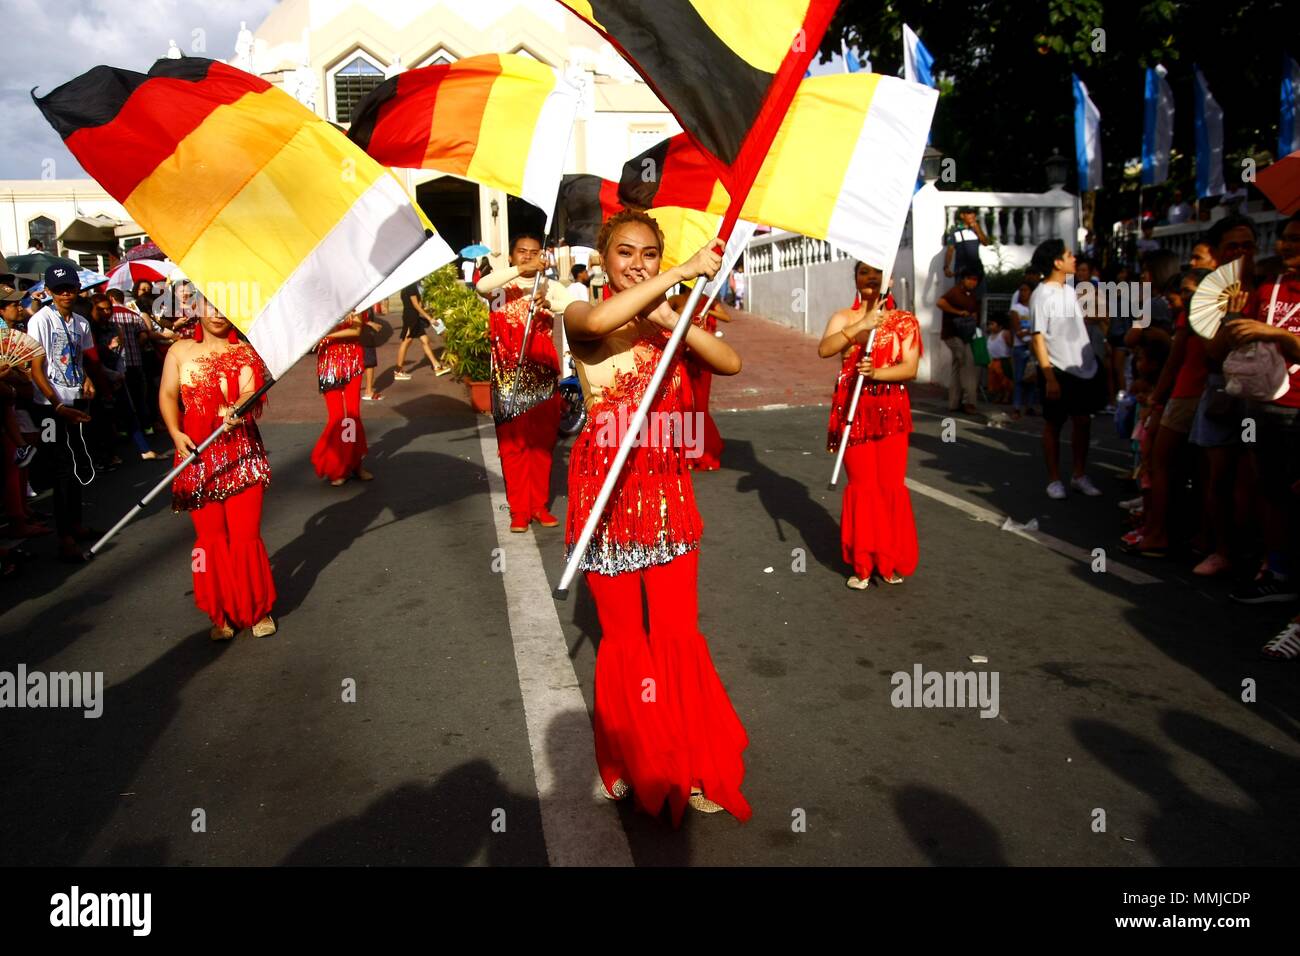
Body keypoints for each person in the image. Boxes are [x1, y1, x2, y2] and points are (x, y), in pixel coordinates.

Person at [562, 209, 749, 823]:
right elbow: (599, 321)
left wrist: (673, 318)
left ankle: (690, 761)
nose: (637, 263)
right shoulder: (580, 315)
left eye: (648, 254)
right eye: (624, 252)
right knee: (622, 642)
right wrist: (684, 272)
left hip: (667, 498)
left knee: (675, 636)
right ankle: (627, 758)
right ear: (602, 259)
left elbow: (729, 362)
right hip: (607, 501)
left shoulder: (668, 319)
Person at [158, 292, 276, 640]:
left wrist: (237, 410)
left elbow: (248, 392)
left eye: (226, 308)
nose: (218, 314)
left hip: (239, 454)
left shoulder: (245, 351)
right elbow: (167, 394)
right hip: (195, 455)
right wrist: (175, 433)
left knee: (245, 536)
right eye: (210, 305)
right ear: (196, 309)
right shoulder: (179, 351)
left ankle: (257, 609)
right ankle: (219, 612)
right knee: (210, 539)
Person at [820, 260, 922, 589]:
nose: (871, 278)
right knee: (863, 488)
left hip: (891, 411)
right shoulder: (843, 318)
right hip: (854, 411)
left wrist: (876, 373)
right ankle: (863, 563)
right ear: (855, 278)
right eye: (864, 272)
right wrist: (862, 324)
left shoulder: (905, 321)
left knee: (890, 487)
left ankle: (889, 560)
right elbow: (825, 349)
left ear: (889, 278)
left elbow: (910, 369)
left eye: (877, 272)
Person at [1224, 210, 1300, 614]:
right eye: (1284, 237)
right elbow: (1239, 341)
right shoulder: (1270, 286)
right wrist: (1236, 318)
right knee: (1269, 491)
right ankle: (1278, 572)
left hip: (1297, 409)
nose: (1285, 245)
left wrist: (1275, 333)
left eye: (1296, 240)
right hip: (1261, 403)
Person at [476, 232, 569, 532]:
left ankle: (539, 506)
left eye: (533, 252)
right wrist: (521, 272)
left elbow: (571, 306)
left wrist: (550, 303)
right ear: (512, 256)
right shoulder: (502, 287)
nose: (528, 257)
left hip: (541, 379)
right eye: (522, 252)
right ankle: (518, 510)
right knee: (513, 447)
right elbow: (481, 286)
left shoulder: (549, 286)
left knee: (541, 445)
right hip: (507, 381)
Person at [26, 264, 104, 563]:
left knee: (77, 465)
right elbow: (36, 368)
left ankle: (76, 524)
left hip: (75, 400)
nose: (66, 294)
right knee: (60, 469)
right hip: (49, 407)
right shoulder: (40, 321)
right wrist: (56, 405)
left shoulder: (81, 323)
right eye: (59, 290)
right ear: (49, 292)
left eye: (70, 288)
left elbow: (79, 359)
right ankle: (65, 537)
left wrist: (86, 378)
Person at [1029, 239, 1105, 499]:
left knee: (1083, 422)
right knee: (1054, 424)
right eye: (1069, 255)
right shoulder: (1041, 294)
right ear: (1057, 262)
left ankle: (1079, 475)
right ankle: (1054, 480)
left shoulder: (1070, 291)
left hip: (1083, 369)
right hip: (1057, 369)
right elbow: (1037, 337)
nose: (1075, 259)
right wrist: (1049, 376)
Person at [312, 313, 372, 486]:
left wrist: (326, 335)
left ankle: (354, 464)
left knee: (352, 417)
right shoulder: (321, 304)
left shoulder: (356, 301)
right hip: (328, 364)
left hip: (352, 361)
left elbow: (356, 331)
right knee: (337, 417)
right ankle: (339, 465)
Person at [937, 269, 980, 414]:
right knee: (967, 364)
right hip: (952, 334)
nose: (973, 282)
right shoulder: (954, 292)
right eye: (970, 279)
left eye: (975, 280)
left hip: (965, 335)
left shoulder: (972, 296)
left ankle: (954, 403)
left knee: (958, 365)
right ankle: (969, 401)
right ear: (963, 279)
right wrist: (958, 312)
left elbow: (974, 312)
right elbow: (940, 303)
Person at [393, 280, 450, 380]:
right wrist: (429, 318)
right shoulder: (410, 287)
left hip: (413, 316)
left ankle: (436, 366)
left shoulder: (410, 286)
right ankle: (398, 370)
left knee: (425, 340)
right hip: (411, 317)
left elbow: (418, 305)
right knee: (407, 341)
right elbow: (416, 305)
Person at [944, 207, 989, 293]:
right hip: (962, 269)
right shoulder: (955, 231)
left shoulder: (977, 229)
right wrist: (946, 267)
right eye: (969, 214)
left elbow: (985, 243)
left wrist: (978, 230)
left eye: (973, 214)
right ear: (962, 216)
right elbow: (950, 250)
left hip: (976, 268)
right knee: (961, 295)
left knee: (978, 295)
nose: (972, 216)